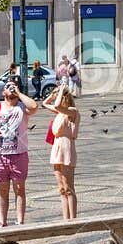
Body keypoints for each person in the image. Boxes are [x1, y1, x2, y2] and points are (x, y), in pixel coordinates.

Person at [0, 80, 38, 227]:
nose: (10, 88)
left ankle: (20, 221)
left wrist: (18, 93)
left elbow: (35, 106)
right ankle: (2, 221)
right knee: (2, 190)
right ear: (3, 92)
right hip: (0, 155)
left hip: (19, 155)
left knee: (19, 189)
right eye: (8, 86)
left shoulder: (22, 107)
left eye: (13, 86)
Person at [41, 86, 80, 220]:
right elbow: (45, 104)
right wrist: (52, 95)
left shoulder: (72, 111)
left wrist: (62, 89)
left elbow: (57, 105)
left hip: (66, 147)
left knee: (69, 187)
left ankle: (73, 219)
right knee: (62, 188)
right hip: (57, 147)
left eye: (59, 96)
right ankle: (65, 219)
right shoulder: (59, 112)